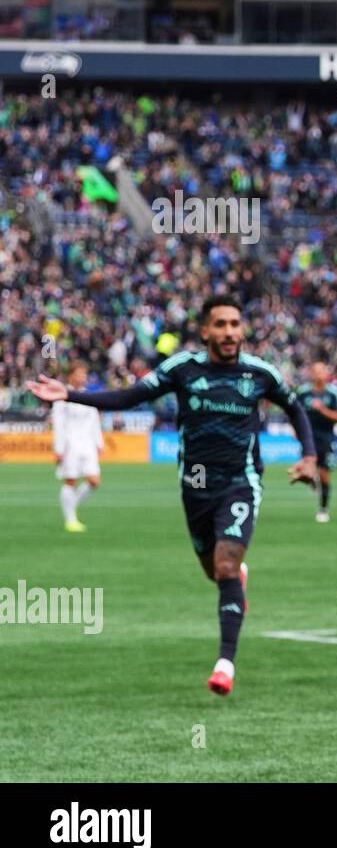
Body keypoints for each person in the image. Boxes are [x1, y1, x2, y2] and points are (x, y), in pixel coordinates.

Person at [25, 295, 318, 695]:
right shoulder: (182, 368)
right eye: (221, 324)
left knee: (227, 567)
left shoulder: (260, 373)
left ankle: (225, 665)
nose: (229, 332)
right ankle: (234, 582)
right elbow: (130, 397)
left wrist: (310, 456)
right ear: (205, 331)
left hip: (240, 481)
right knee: (214, 572)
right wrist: (71, 395)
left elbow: (295, 407)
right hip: (195, 485)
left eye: (235, 324)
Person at [51, 362, 102, 532]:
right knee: (70, 481)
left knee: (94, 481)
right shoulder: (62, 397)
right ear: (71, 375)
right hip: (70, 445)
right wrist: (59, 449)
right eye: (80, 374)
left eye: (85, 374)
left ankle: (71, 506)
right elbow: (58, 424)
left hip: (88, 444)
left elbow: (94, 421)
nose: (83, 378)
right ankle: (70, 519)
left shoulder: (88, 396)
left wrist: (99, 442)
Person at [297, 361, 337, 523]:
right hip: (308, 439)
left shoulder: (333, 394)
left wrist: (322, 410)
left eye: (321, 371)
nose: (318, 374)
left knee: (325, 476)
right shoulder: (303, 393)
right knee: (308, 473)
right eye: (315, 371)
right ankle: (313, 479)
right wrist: (295, 429)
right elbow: (294, 413)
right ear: (310, 373)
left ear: (326, 374)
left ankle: (323, 509)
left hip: (326, 438)